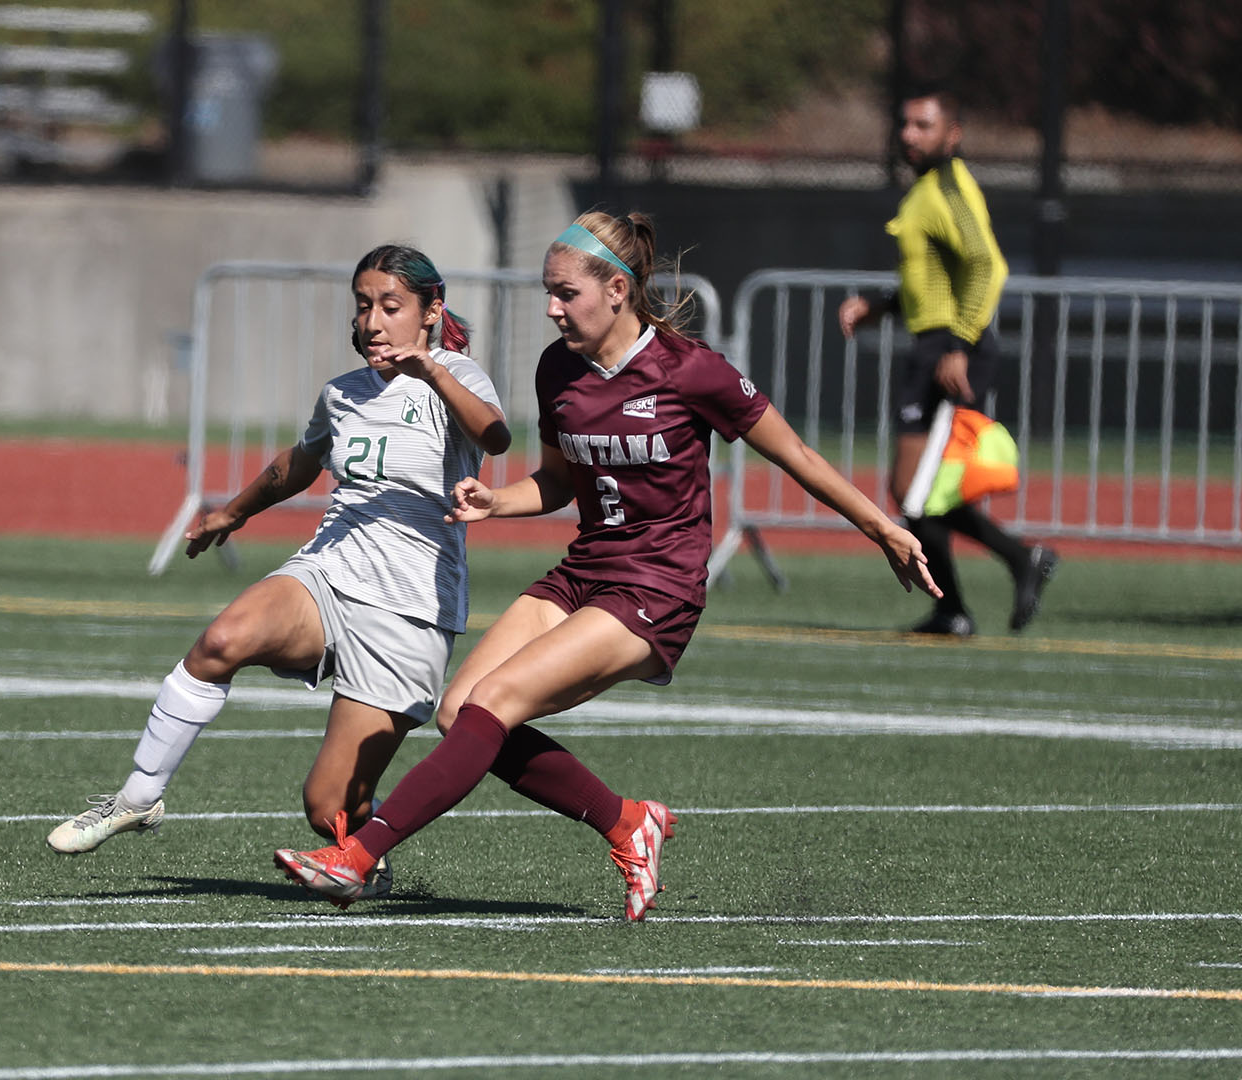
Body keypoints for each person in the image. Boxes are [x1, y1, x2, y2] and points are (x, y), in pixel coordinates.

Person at [275, 211, 938, 920]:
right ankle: (628, 823)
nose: (552, 309)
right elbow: (557, 483)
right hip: (584, 570)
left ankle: (359, 856)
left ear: (617, 290)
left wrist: (882, 527)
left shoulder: (690, 370)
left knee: (494, 703)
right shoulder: (557, 369)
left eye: (567, 293)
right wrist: (497, 501)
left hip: (659, 587)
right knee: (459, 710)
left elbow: (797, 454)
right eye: (549, 292)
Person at [48, 244, 511, 899]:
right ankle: (138, 796)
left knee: (328, 807)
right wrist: (231, 513)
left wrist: (431, 371)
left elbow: (495, 435)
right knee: (222, 641)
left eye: (391, 307)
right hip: (329, 572)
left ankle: (365, 854)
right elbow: (299, 462)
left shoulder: (457, 377)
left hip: (408, 608)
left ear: (431, 311)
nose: (373, 322)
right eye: (364, 306)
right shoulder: (343, 393)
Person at [837, 84, 1057, 637]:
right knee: (915, 492)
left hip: (950, 352)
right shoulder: (924, 192)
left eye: (924, 125)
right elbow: (934, 282)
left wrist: (959, 343)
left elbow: (987, 266)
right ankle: (983, 587)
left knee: (915, 490)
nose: (909, 135)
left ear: (952, 135)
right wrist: (879, 306)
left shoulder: (951, 188)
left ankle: (977, 591)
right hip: (932, 347)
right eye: (906, 124)